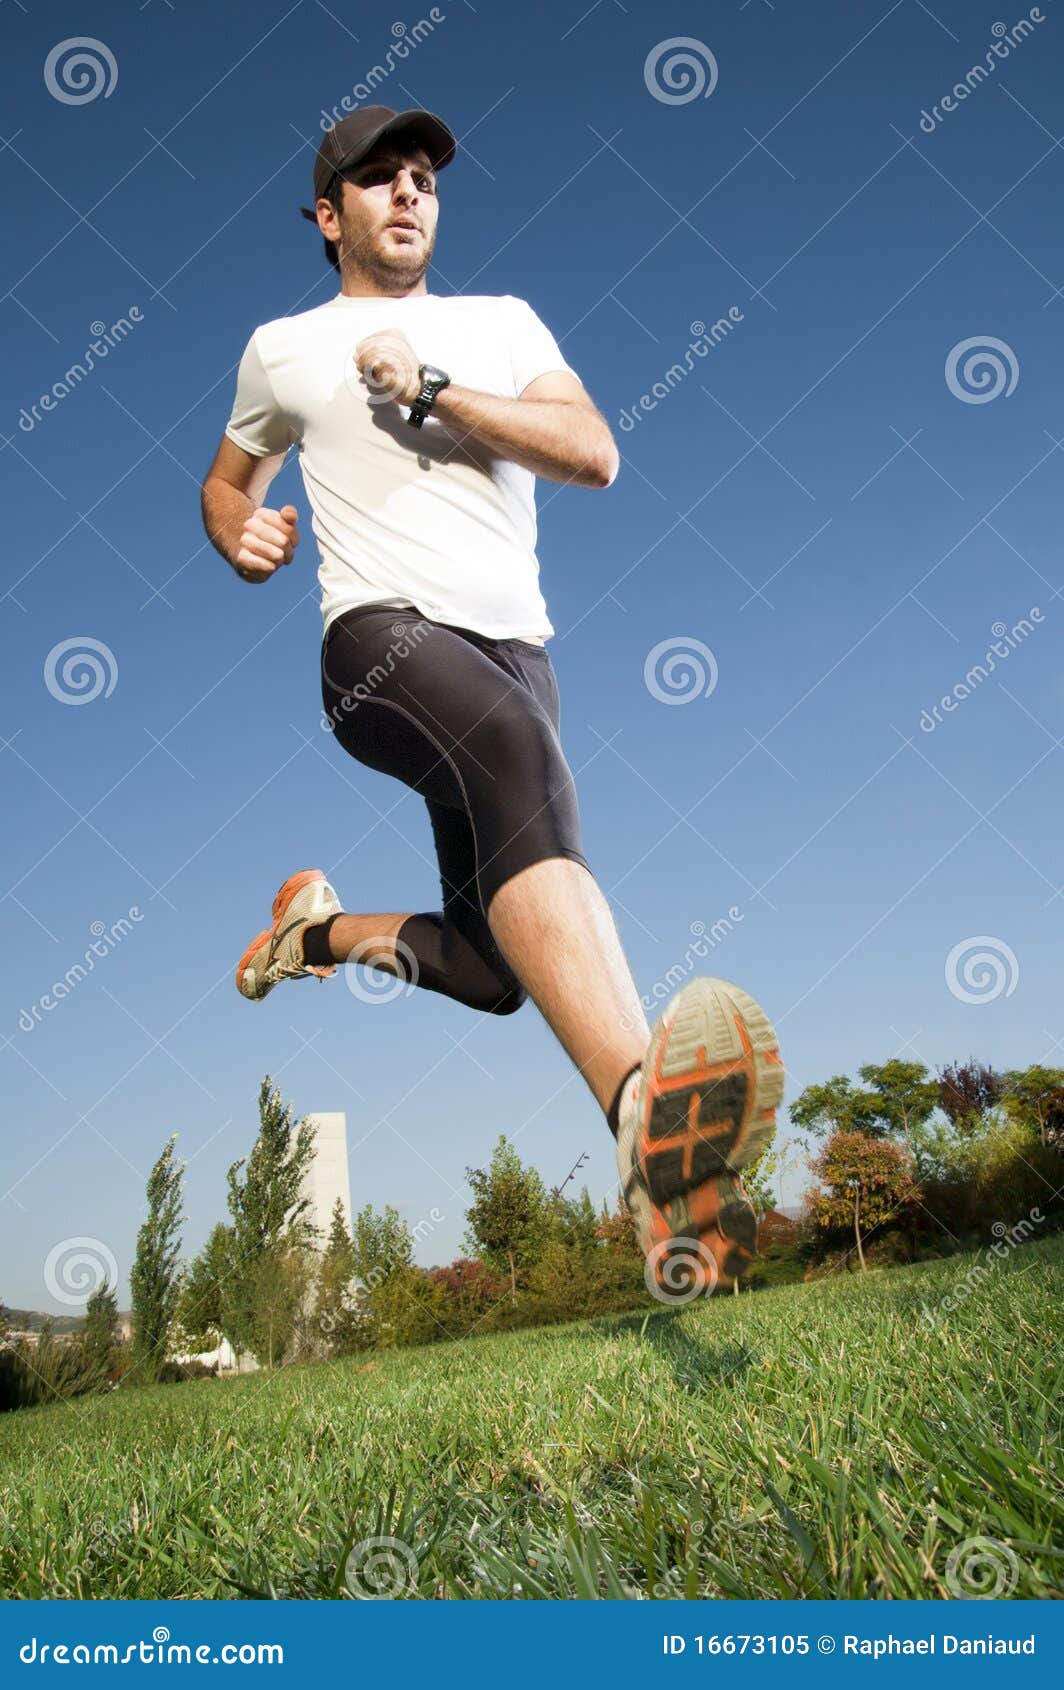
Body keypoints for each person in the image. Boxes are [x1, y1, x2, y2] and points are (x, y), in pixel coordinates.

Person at [200, 105, 783, 1293]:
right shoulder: (282, 347)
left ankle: (314, 935)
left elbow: (590, 450)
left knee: (493, 970)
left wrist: (441, 389)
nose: (407, 193)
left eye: (421, 177)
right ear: (330, 215)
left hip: (517, 651)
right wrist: (237, 529)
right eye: (377, 180)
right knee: (516, 755)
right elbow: (225, 478)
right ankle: (644, 1120)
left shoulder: (500, 322)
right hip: (376, 645)